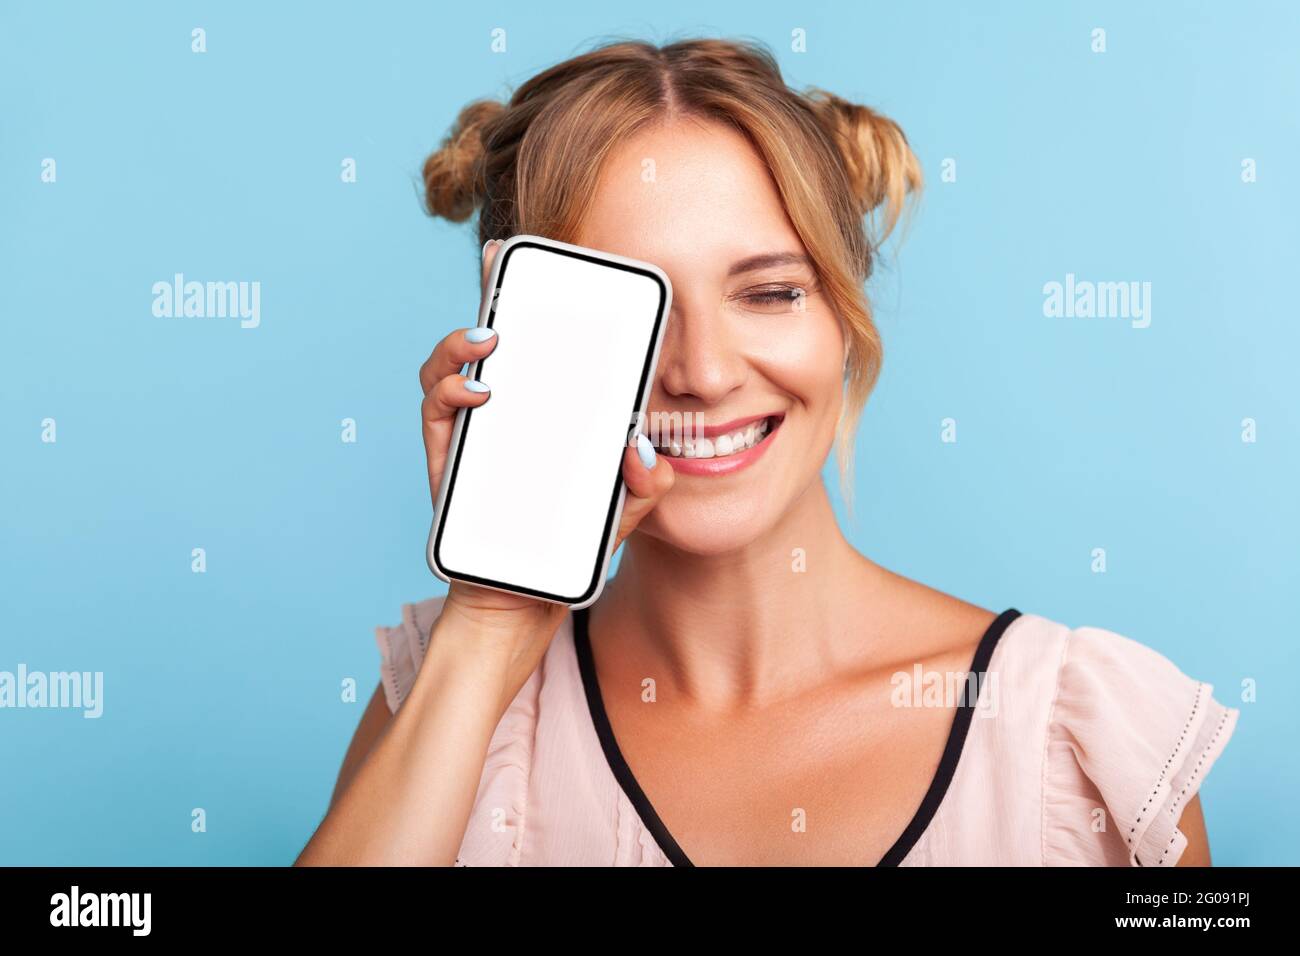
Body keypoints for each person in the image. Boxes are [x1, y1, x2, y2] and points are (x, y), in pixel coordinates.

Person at [296, 38, 1238, 867]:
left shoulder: (1077, 745)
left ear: (846, 320)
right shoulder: (446, 713)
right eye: (643, 309)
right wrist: (491, 625)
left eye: (770, 293)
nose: (702, 374)